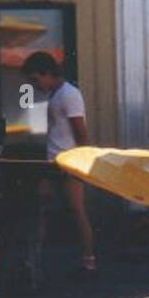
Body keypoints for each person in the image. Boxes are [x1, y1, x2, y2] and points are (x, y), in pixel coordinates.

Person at [20, 51, 96, 276]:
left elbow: (81, 133)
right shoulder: (54, 95)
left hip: (69, 162)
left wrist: (81, 164)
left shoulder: (69, 95)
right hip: (51, 160)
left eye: (36, 79)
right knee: (41, 209)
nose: (35, 85)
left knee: (77, 210)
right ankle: (34, 260)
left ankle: (89, 260)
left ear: (47, 73)